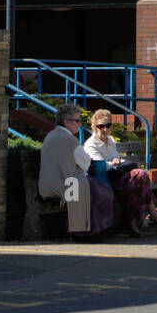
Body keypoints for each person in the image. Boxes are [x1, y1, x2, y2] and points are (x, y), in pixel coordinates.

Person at [83, 109, 157, 234]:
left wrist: (116, 160)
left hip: (117, 174)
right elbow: (100, 166)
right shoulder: (90, 144)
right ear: (94, 126)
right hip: (104, 179)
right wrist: (112, 163)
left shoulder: (111, 140)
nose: (105, 129)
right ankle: (143, 217)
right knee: (137, 180)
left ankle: (134, 220)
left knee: (140, 175)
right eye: (101, 126)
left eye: (108, 125)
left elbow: (115, 159)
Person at [39, 103, 113, 240]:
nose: (79, 125)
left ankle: (89, 229)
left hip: (49, 183)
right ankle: (87, 232)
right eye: (77, 120)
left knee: (93, 186)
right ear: (66, 122)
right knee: (102, 189)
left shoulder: (51, 135)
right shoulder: (69, 140)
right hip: (66, 185)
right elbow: (85, 162)